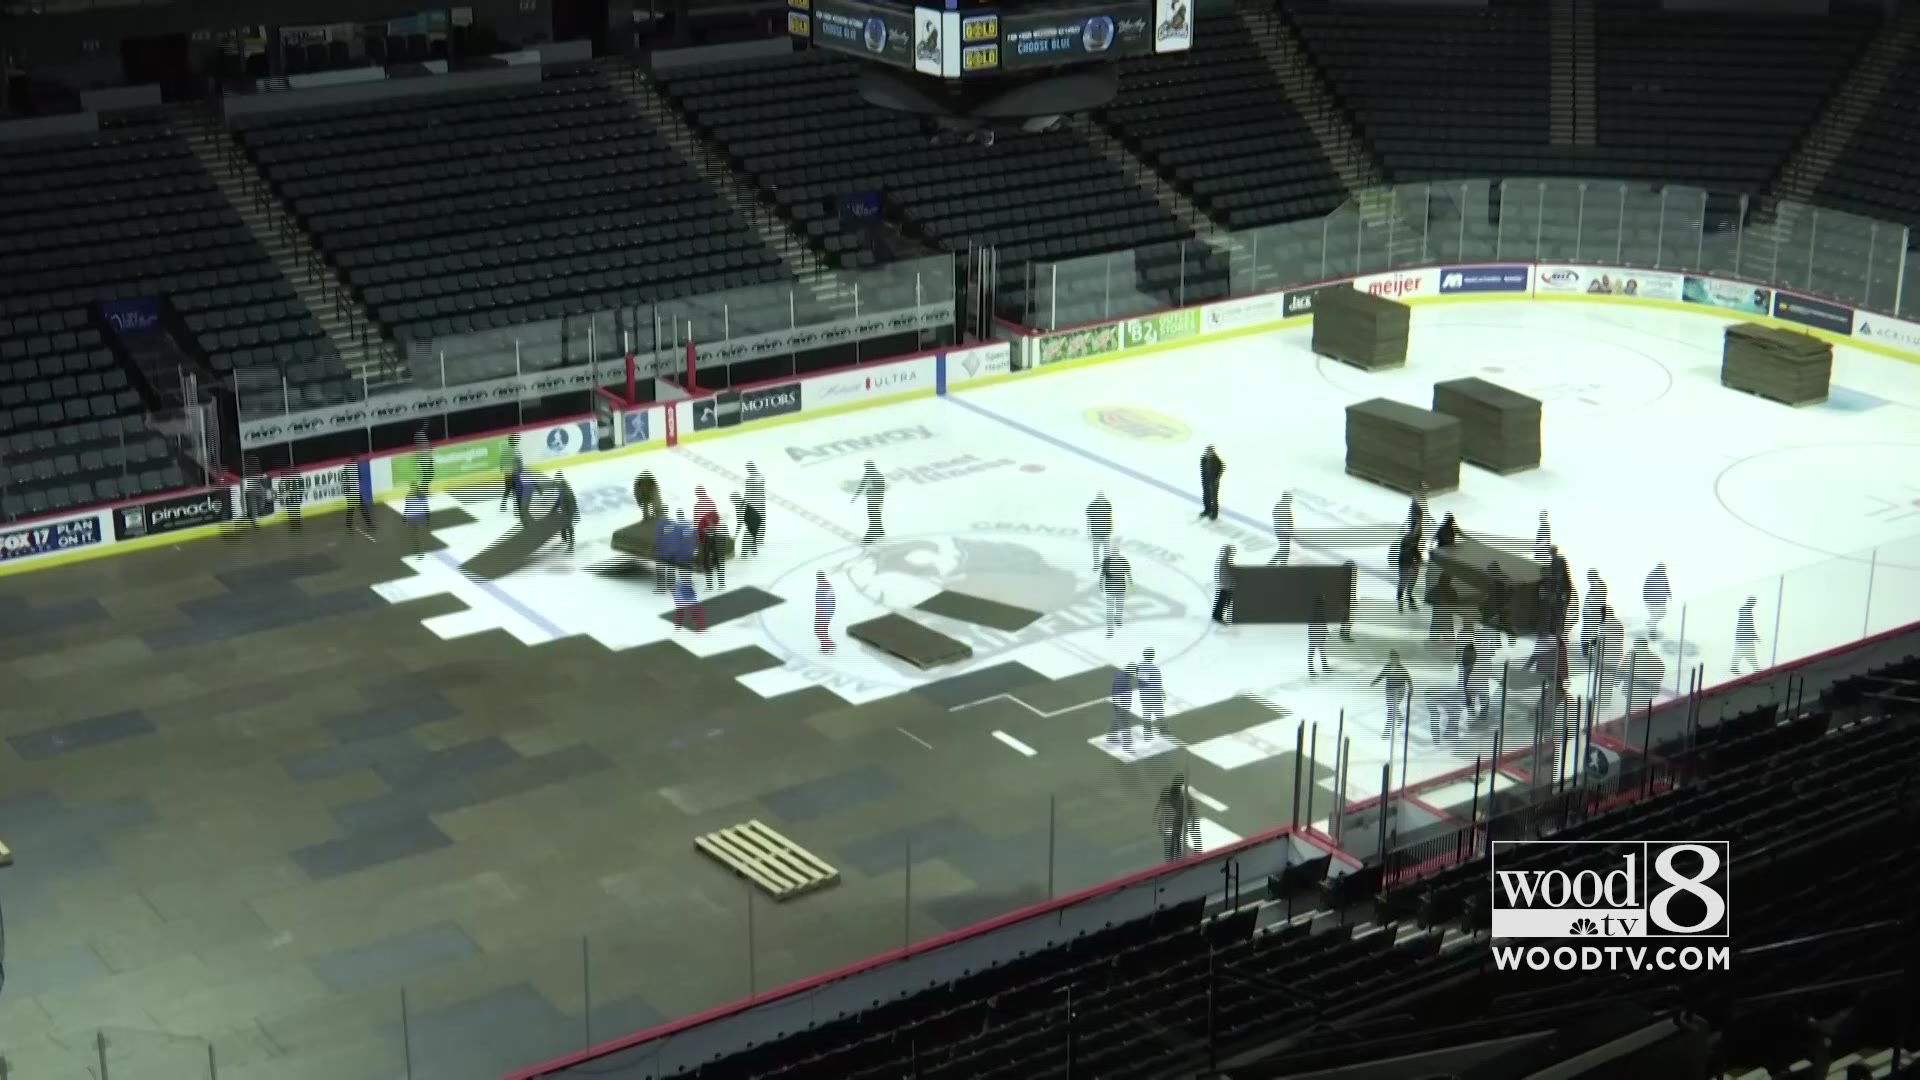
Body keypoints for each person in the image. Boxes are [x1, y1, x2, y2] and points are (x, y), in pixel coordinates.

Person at [1156, 776, 1202, 862]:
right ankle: (1174, 858)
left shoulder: (1183, 796)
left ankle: (1195, 855)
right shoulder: (1171, 794)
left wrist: (1191, 821)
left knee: (1187, 838)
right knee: (1176, 839)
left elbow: (1191, 808)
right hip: (1177, 819)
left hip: (1181, 818)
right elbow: (1162, 808)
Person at [1373, 649, 1412, 740]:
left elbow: (1408, 679)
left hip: (1399, 690)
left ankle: (1387, 732)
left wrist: (1411, 689)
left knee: (1391, 710)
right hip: (1389, 690)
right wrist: (1374, 682)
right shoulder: (1387, 667)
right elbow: (1381, 675)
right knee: (1392, 708)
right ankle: (1400, 717)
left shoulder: (1402, 669)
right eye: (1391, 658)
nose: (1393, 660)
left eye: (1394, 658)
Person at [852, 460, 886, 543]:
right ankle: (879, 530)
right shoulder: (870, 475)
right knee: (873, 514)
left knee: (874, 514)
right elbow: (862, 486)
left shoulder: (875, 475)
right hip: (872, 497)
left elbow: (880, 486)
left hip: (875, 497)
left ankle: (873, 533)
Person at [1100, 549, 1132, 637]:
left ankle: (1117, 619)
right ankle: (1110, 627)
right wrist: (1100, 583)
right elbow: (1102, 574)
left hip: (1119, 586)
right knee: (1111, 606)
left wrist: (1130, 582)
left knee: (1118, 605)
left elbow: (1127, 572)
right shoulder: (1107, 561)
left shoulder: (1122, 560)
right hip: (1111, 587)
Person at [1135, 647, 1165, 743]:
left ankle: (1147, 732)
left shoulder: (1139, 666)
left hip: (1144, 693)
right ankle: (1161, 729)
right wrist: (1161, 692)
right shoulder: (1153, 668)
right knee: (1158, 712)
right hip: (1153, 693)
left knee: (1147, 713)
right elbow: (1157, 682)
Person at [342, 455, 375, 533]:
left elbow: (357, 480)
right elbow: (346, 483)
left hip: (354, 492)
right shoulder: (348, 470)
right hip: (352, 493)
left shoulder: (351, 469)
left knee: (359, 509)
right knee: (353, 509)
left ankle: (368, 524)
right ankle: (349, 523)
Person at [1108, 663, 1136, 752]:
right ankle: (1127, 744)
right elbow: (1120, 694)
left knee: (1118, 720)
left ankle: (1112, 736)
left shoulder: (1120, 674)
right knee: (1124, 723)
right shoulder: (1123, 681)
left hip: (1119, 703)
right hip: (1120, 704)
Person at [1581, 570, 1608, 662]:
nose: (1588, 580)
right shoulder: (1600, 585)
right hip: (1594, 614)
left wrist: (1586, 613)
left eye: (1589, 577)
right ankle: (1595, 651)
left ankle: (1586, 653)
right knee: (1593, 632)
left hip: (1591, 614)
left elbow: (1595, 602)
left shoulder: (1597, 586)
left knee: (1586, 633)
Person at [1394, 528, 1422, 612]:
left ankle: (1400, 601)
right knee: (1410, 580)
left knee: (1403, 580)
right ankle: (1408, 601)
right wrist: (1419, 559)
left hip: (1403, 559)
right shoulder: (1414, 537)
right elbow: (1414, 550)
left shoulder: (1407, 536)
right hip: (1409, 561)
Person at [1733, 597, 1761, 674]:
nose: (1754, 605)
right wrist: (1753, 636)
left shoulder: (1745, 610)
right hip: (1745, 637)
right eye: (1753, 603)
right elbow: (1747, 625)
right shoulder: (1746, 611)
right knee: (1750, 653)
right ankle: (1756, 668)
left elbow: (1749, 626)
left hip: (1743, 637)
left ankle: (1734, 667)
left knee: (1741, 652)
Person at [1644, 563, 1672, 640]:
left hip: (1662, 601)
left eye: (1664, 570)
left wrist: (1670, 596)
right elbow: (1646, 588)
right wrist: (1647, 600)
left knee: (1662, 613)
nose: (1663, 571)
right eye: (1662, 569)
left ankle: (1650, 623)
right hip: (1652, 602)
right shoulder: (1651, 576)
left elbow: (1667, 586)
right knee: (1654, 617)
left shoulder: (1664, 576)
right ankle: (1652, 633)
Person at [1087, 492, 1114, 572]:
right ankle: (1097, 565)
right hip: (1096, 531)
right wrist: (1089, 532)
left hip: (1105, 532)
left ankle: (1106, 566)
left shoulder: (1107, 505)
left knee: (1106, 550)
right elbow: (1089, 520)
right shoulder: (1092, 506)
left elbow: (1109, 518)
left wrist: (1109, 530)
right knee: (1096, 550)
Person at [732, 491, 764, 558]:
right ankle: (754, 552)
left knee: (746, 538)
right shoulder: (739, 504)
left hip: (755, 521)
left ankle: (744, 555)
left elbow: (740, 522)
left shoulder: (742, 505)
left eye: (733, 499)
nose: (733, 502)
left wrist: (735, 535)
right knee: (752, 537)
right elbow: (740, 520)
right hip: (754, 521)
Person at [1307, 595, 1332, 676]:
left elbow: (1321, 622)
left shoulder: (1316, 610)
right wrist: (1325, 631)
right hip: (1317, 632)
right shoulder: (1318, 610)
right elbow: (1320, 622)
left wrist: (1325, 631)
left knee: (1317, 650)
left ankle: (1319, 668)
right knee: (1316, 650)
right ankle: (1318, 668)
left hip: (1316, 632)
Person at [1198, 445, 1224, 521]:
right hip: (1206, 481)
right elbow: (1202, 470)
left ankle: (1214, 514)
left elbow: (1221, 470)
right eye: (1208, 451)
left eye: (1210, 451)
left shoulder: (1217, 460)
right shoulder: (1203, 459)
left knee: (1214, 499)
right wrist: (1203, 480)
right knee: (1206, 496)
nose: (1209, 453)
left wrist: (1217, 479)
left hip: (1213, 482)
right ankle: (1207, 510)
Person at [500, 434, 525, 512]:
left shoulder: (507, 450)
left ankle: (504, 506)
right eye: (515, 440)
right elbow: (519, 463)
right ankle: (515, 508)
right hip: (512, 474)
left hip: (511, 474)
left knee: (509, 490)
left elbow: (502, 462)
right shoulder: (514, 451)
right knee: (512, 490)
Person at [1211, 545, 1235, 625]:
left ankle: (1216, 615)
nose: (1231, 552)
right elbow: (1226, 573)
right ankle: (1217, 616)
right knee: (1222, 602)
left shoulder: (1226, 560)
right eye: (1230, 550)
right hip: (1226, 585)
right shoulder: (1225, 560)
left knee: (1222, 601)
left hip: (1226, 585)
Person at [555, 472, 578, 554]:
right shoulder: (562, 491)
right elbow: (559, 501)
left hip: (569, 512)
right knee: (563, 525)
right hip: (565, 512)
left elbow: (573, 504)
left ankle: (571, 544)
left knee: (569, 527)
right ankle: (564, 538)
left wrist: (571, 514)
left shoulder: (567, 492)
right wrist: (554, 508)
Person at [744, 462, 767, 542]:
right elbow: (762, 490)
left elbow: (748, 492)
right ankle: (760, 538)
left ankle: (754, 538)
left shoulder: (749, 479)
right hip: (761, 502)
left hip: (752, 503)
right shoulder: (761, 477)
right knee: (761, 520)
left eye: (748, 468)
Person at [1269, 493, 1294, 565]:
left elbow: (1288, 520)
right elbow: (1287, 520)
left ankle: (1279, 564)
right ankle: (1280, 564)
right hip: (1282, 530)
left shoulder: (1281, 505)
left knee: (1284, 548)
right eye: (1289, 498)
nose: (1290, 500)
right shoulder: (1283, 506)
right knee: (1285, 548)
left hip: (1281, 530)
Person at [814, 572, 835, 651]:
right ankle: (828, 644)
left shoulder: (823, 586)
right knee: (821, 629)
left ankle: (827, 645)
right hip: (826, 610)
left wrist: (820, 612)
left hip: (824, 611)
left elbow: (821, 600)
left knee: (819, 629)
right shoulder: (826, 585)